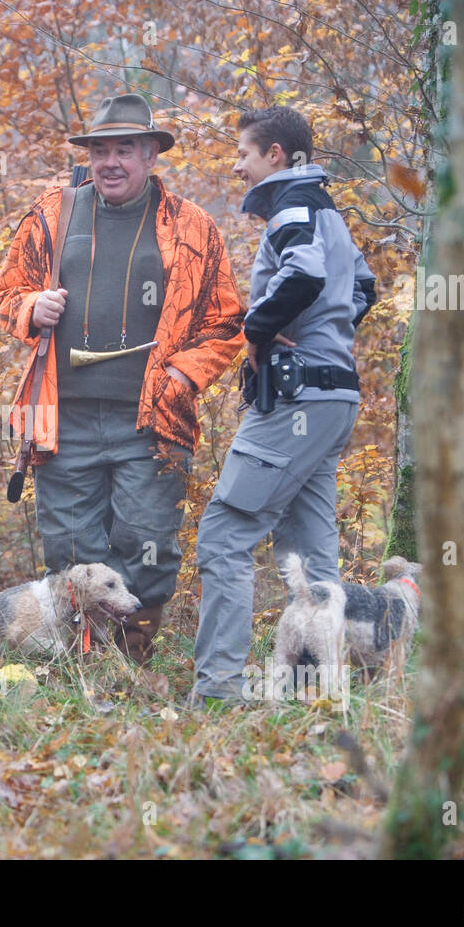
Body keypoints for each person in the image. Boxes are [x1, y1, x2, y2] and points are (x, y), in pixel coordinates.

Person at [0, 94, 245, 664]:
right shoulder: (53, 212)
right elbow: (5, 293)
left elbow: (227, 320)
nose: (110, 161)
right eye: (100, 150)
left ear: (151, 154)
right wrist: (31, 308)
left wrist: (182, 374)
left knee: (147, 547)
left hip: (152, 421)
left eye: (124, 149)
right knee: (71, 552)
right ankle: (82, 667)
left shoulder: (191, 226)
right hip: (64, 420)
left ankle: (132, 664)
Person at [190, 106, 376, 706]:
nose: (237, 164)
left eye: (244, 152)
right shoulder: (331, 213)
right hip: (333, 397)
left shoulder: (293, 204)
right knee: (308, 551)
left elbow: (303, 275)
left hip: (296, 398)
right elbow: (364, 288)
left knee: (224, 536)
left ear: (275, 156)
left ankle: (217, 690)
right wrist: (322, 335)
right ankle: (314, 692)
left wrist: (259, 332)